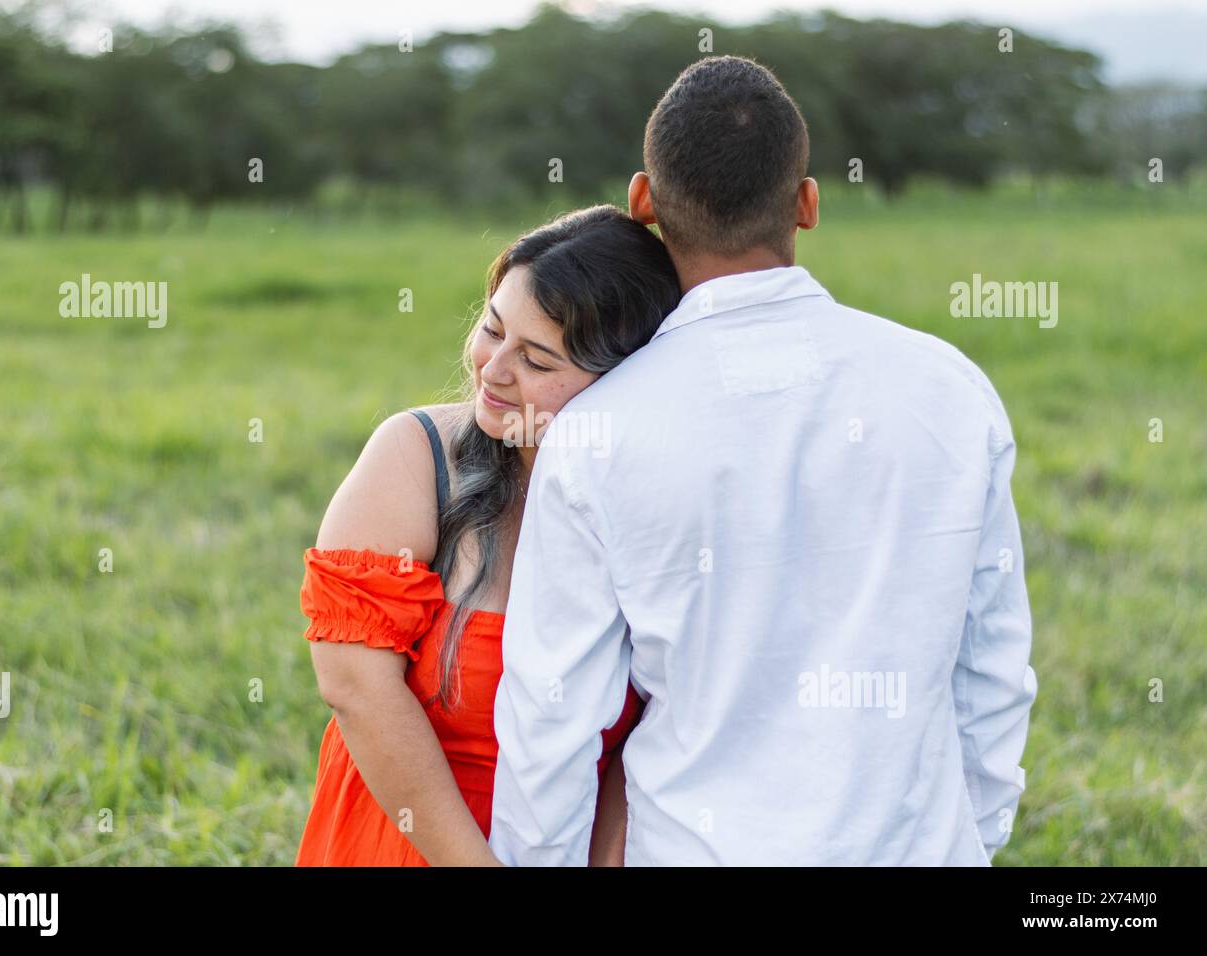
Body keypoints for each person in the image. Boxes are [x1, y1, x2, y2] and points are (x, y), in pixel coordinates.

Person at [489, 55, 1039, 866]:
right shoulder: (951, 390)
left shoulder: (597, 434)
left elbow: (551, 719)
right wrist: (972, 837)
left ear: (643, 202)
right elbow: (991, 665)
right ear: (808, 204)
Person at [295, 205, 681, 866]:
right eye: (491, 329)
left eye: (536, 359)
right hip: (415, 839)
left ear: (623, 382)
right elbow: (356, 688)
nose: (493, 370)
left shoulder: (660, 505)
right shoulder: (417, 457)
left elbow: (660, 728)